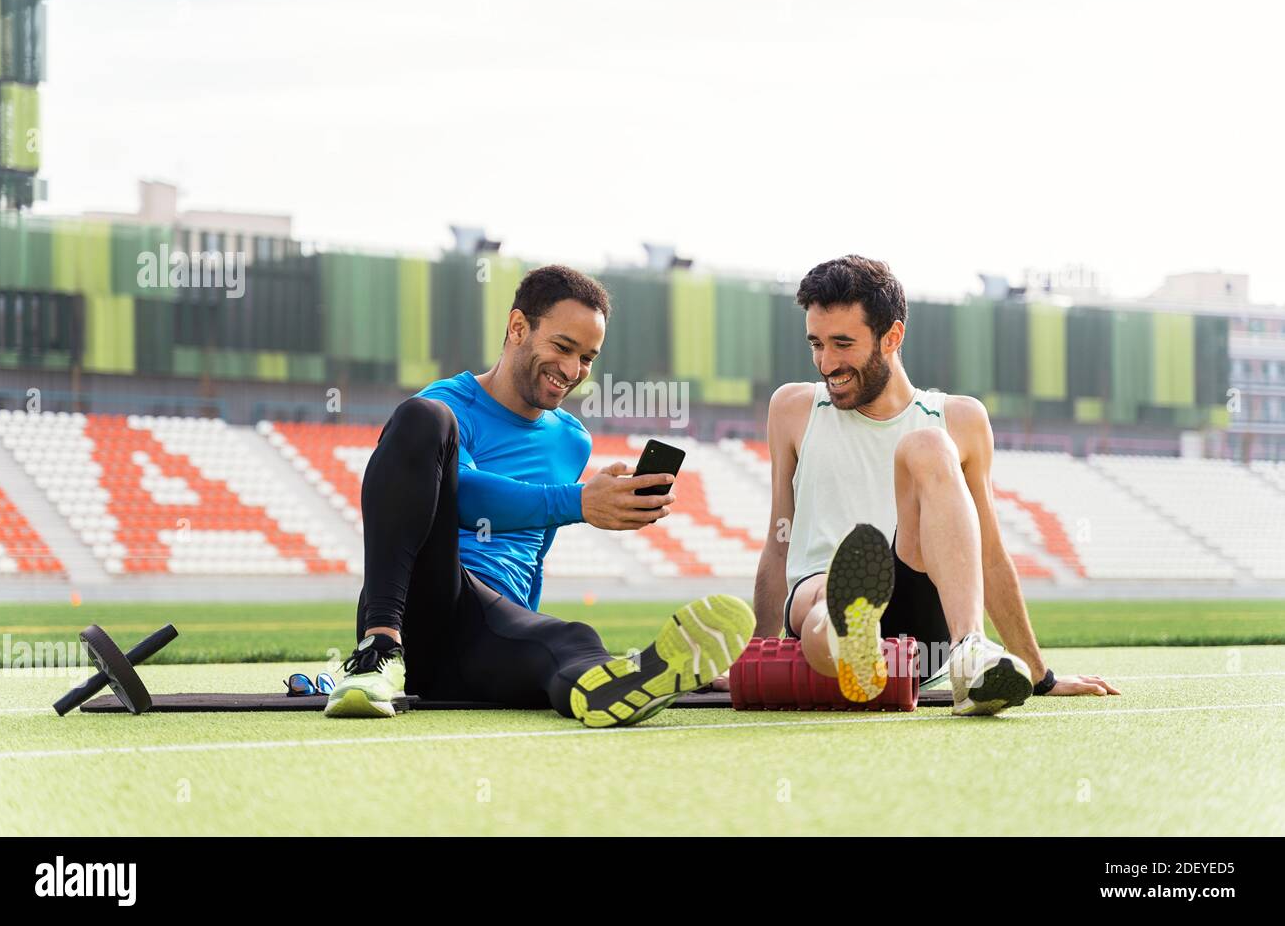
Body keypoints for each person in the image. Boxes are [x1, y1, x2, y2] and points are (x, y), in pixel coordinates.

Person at [325, 264, 755, 726]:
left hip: (486, 638)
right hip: (422, 611)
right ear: (517, 328)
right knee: (421, 417)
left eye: (588, 357)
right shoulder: (449, 406)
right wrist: (578, 502)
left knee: (570, 641)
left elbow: (532, 554)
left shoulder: (573, 440)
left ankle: (625, 681)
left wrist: (523, 628)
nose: (572, 371)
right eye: (563, 347)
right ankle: (379, 653)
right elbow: (466, 497)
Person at [752, 254, 1119, 715]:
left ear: (892, 336)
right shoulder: (792, 409)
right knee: (827, 596)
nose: (826, 363)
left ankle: (971, 652)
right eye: (816, 344)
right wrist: (756, 655)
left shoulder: (959, 419)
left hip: (917, 618)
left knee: (928, 445)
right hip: (814, 601)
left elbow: (986, 551)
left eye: (842, 344)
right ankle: (849, 636)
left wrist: (1038, 674)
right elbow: (779, 541)